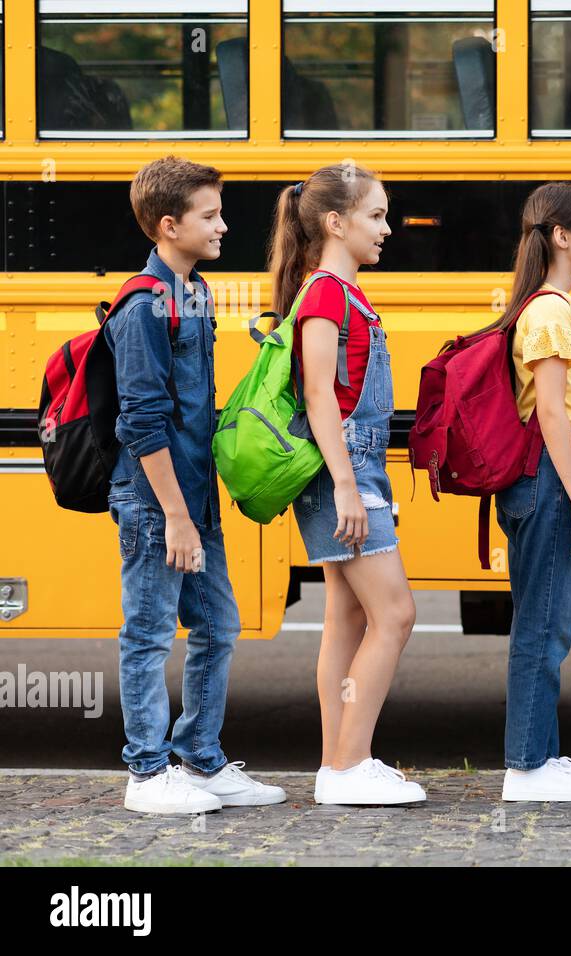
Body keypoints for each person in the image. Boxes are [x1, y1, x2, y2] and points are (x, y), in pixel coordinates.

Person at [107, 156, 285, 814]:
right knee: (150, 634)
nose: (224, 226)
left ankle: (200, 760)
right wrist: (177, 518)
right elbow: (142, 423)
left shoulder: (195, 293)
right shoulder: (144, 308)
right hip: (158, 506)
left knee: (218, 626)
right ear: (168, 225)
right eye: (210, 216)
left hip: (194, 500)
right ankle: (148, 774)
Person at [269, 163, 424, 806]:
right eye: (376, 216)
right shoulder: (327, 293)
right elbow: (317, 396)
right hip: (348, 468)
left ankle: (339, 763)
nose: (387, 229)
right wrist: (344, 486)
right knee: (395, 614)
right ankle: (349, 762)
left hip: (356, 466)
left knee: (348, 618)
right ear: (336, 223)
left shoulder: (340, 290)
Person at [481, 182, 571, 801]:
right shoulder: (550, 310)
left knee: (548, 620)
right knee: (543, 623)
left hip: (545, 476)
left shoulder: (547, 305)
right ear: (562, 237)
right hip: (554, 476)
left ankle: (540, 756)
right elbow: (555, 416)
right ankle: (528, 767)